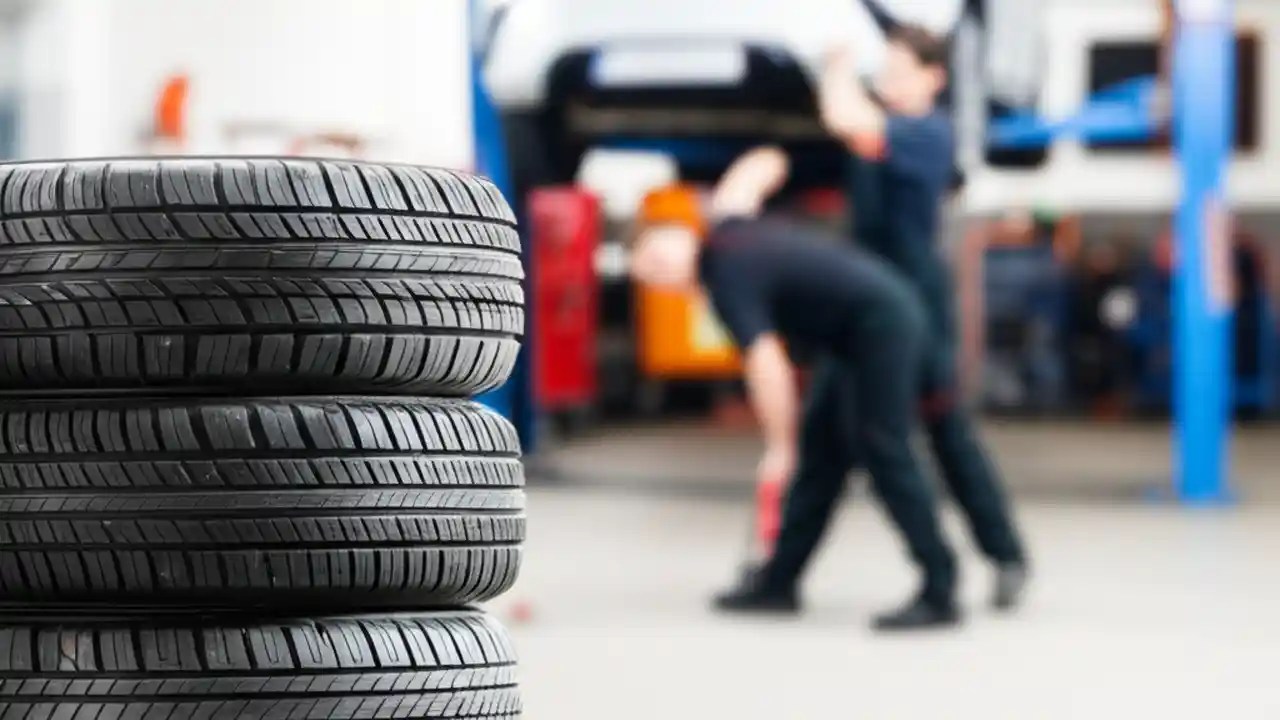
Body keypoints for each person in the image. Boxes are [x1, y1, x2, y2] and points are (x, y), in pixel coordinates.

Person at [631, 147, 962, 630]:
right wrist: (735, 189)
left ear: (684, 235)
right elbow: (763, 163)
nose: (661, 272)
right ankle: (778, 582)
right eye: (651, 276)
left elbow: (768, 364)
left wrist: (778, 448)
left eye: (659, 257)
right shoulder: (729, 222)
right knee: (822, 452)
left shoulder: (724, 274)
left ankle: (940, 587)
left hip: (882, 323)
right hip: (857, 333)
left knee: (885, 449)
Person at [817, 25, 1030, 608]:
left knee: (946, 433)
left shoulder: (927, 134)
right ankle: (779, 576)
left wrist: (835, 63)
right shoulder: (883, 126)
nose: (887, 78)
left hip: (916, 313)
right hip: (859, 308)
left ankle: (1005, 555)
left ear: (934, 77)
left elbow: (851, 124)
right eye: (883, 67)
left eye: (899, 68)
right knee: (822, 438)